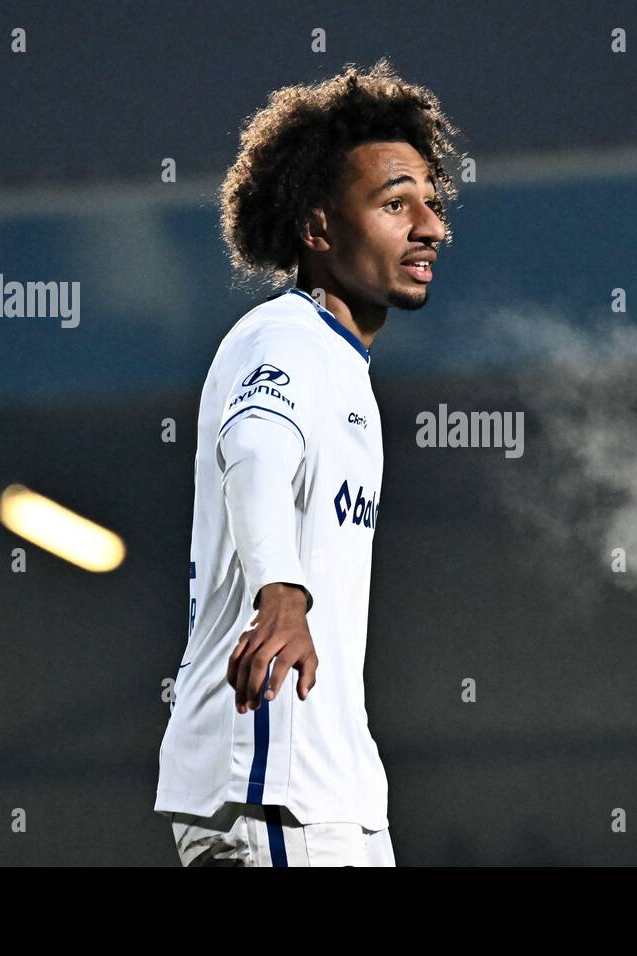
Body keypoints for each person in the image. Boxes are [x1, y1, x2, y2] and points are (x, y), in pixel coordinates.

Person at [154, 57, 462, 866]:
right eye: (396, 203)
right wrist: (281, 594)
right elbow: (253, 454)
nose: (429, 224)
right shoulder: (285, 338)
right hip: (270, 781)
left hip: (330, 788)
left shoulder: (339, 361)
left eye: (432, 201)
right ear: (319, 229)